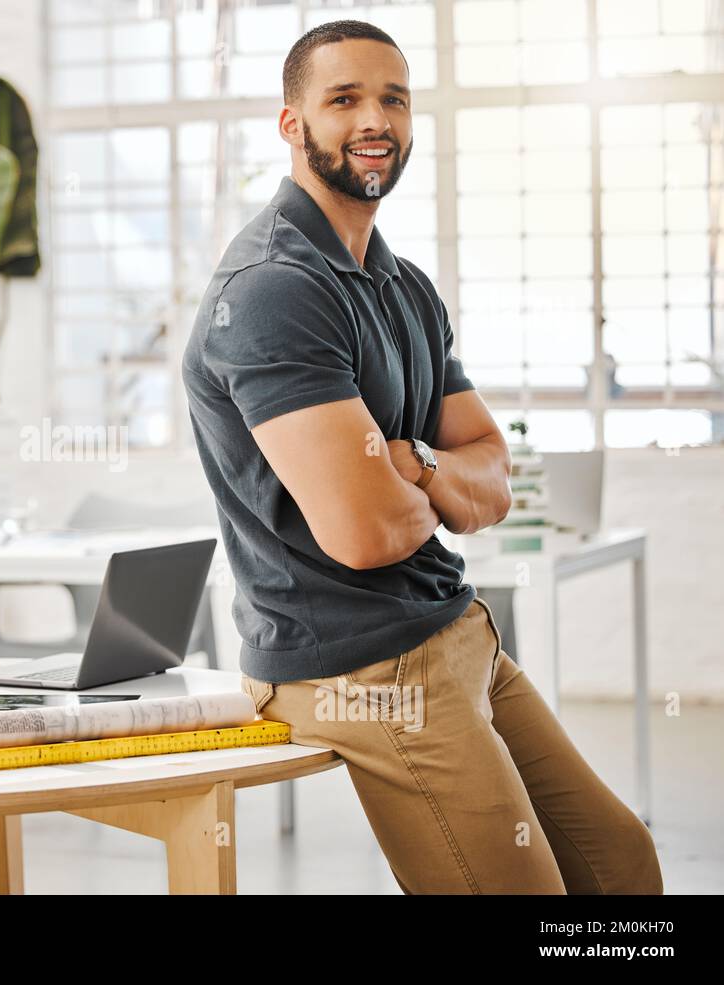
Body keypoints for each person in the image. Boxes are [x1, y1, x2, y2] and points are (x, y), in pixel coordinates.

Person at [181, 18, 662, 894]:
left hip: (456, 629)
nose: (375, 119)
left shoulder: (403, 286)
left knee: (623, 868)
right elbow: (364, 532)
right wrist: (428, 477)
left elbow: (492, 473)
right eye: (344, 99)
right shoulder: (274, 291)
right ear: (293, 125)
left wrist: (416, 465)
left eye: (393, 99)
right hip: (358, 663)